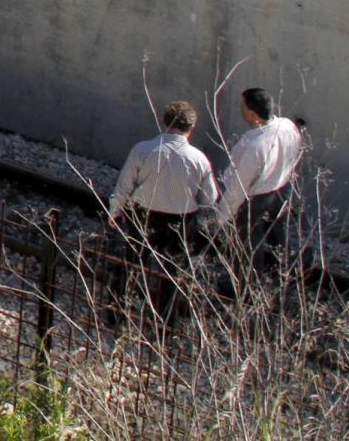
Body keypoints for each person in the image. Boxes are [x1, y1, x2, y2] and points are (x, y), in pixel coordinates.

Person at [109, 100, 219, 319]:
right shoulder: (199, 159)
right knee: (172, 272)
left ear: (164, 122)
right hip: (180, 222)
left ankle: (117, 311)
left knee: (131, 263)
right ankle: (164, 322)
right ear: (192, 128)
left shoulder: (143, 149)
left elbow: (124, 186)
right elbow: (210, 198)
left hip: (143, 216)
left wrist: (115, 212)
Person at [216, 86, 305, 272]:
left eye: (243, 108)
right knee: (277, 232)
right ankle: (289, 269)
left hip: (256, 198)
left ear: (253, 114)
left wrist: (221, 216)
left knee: (250, 243)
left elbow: (238, 186)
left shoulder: (253, 146)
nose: (240, 111)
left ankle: (248, 285)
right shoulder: (289, 126)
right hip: (280, 188)